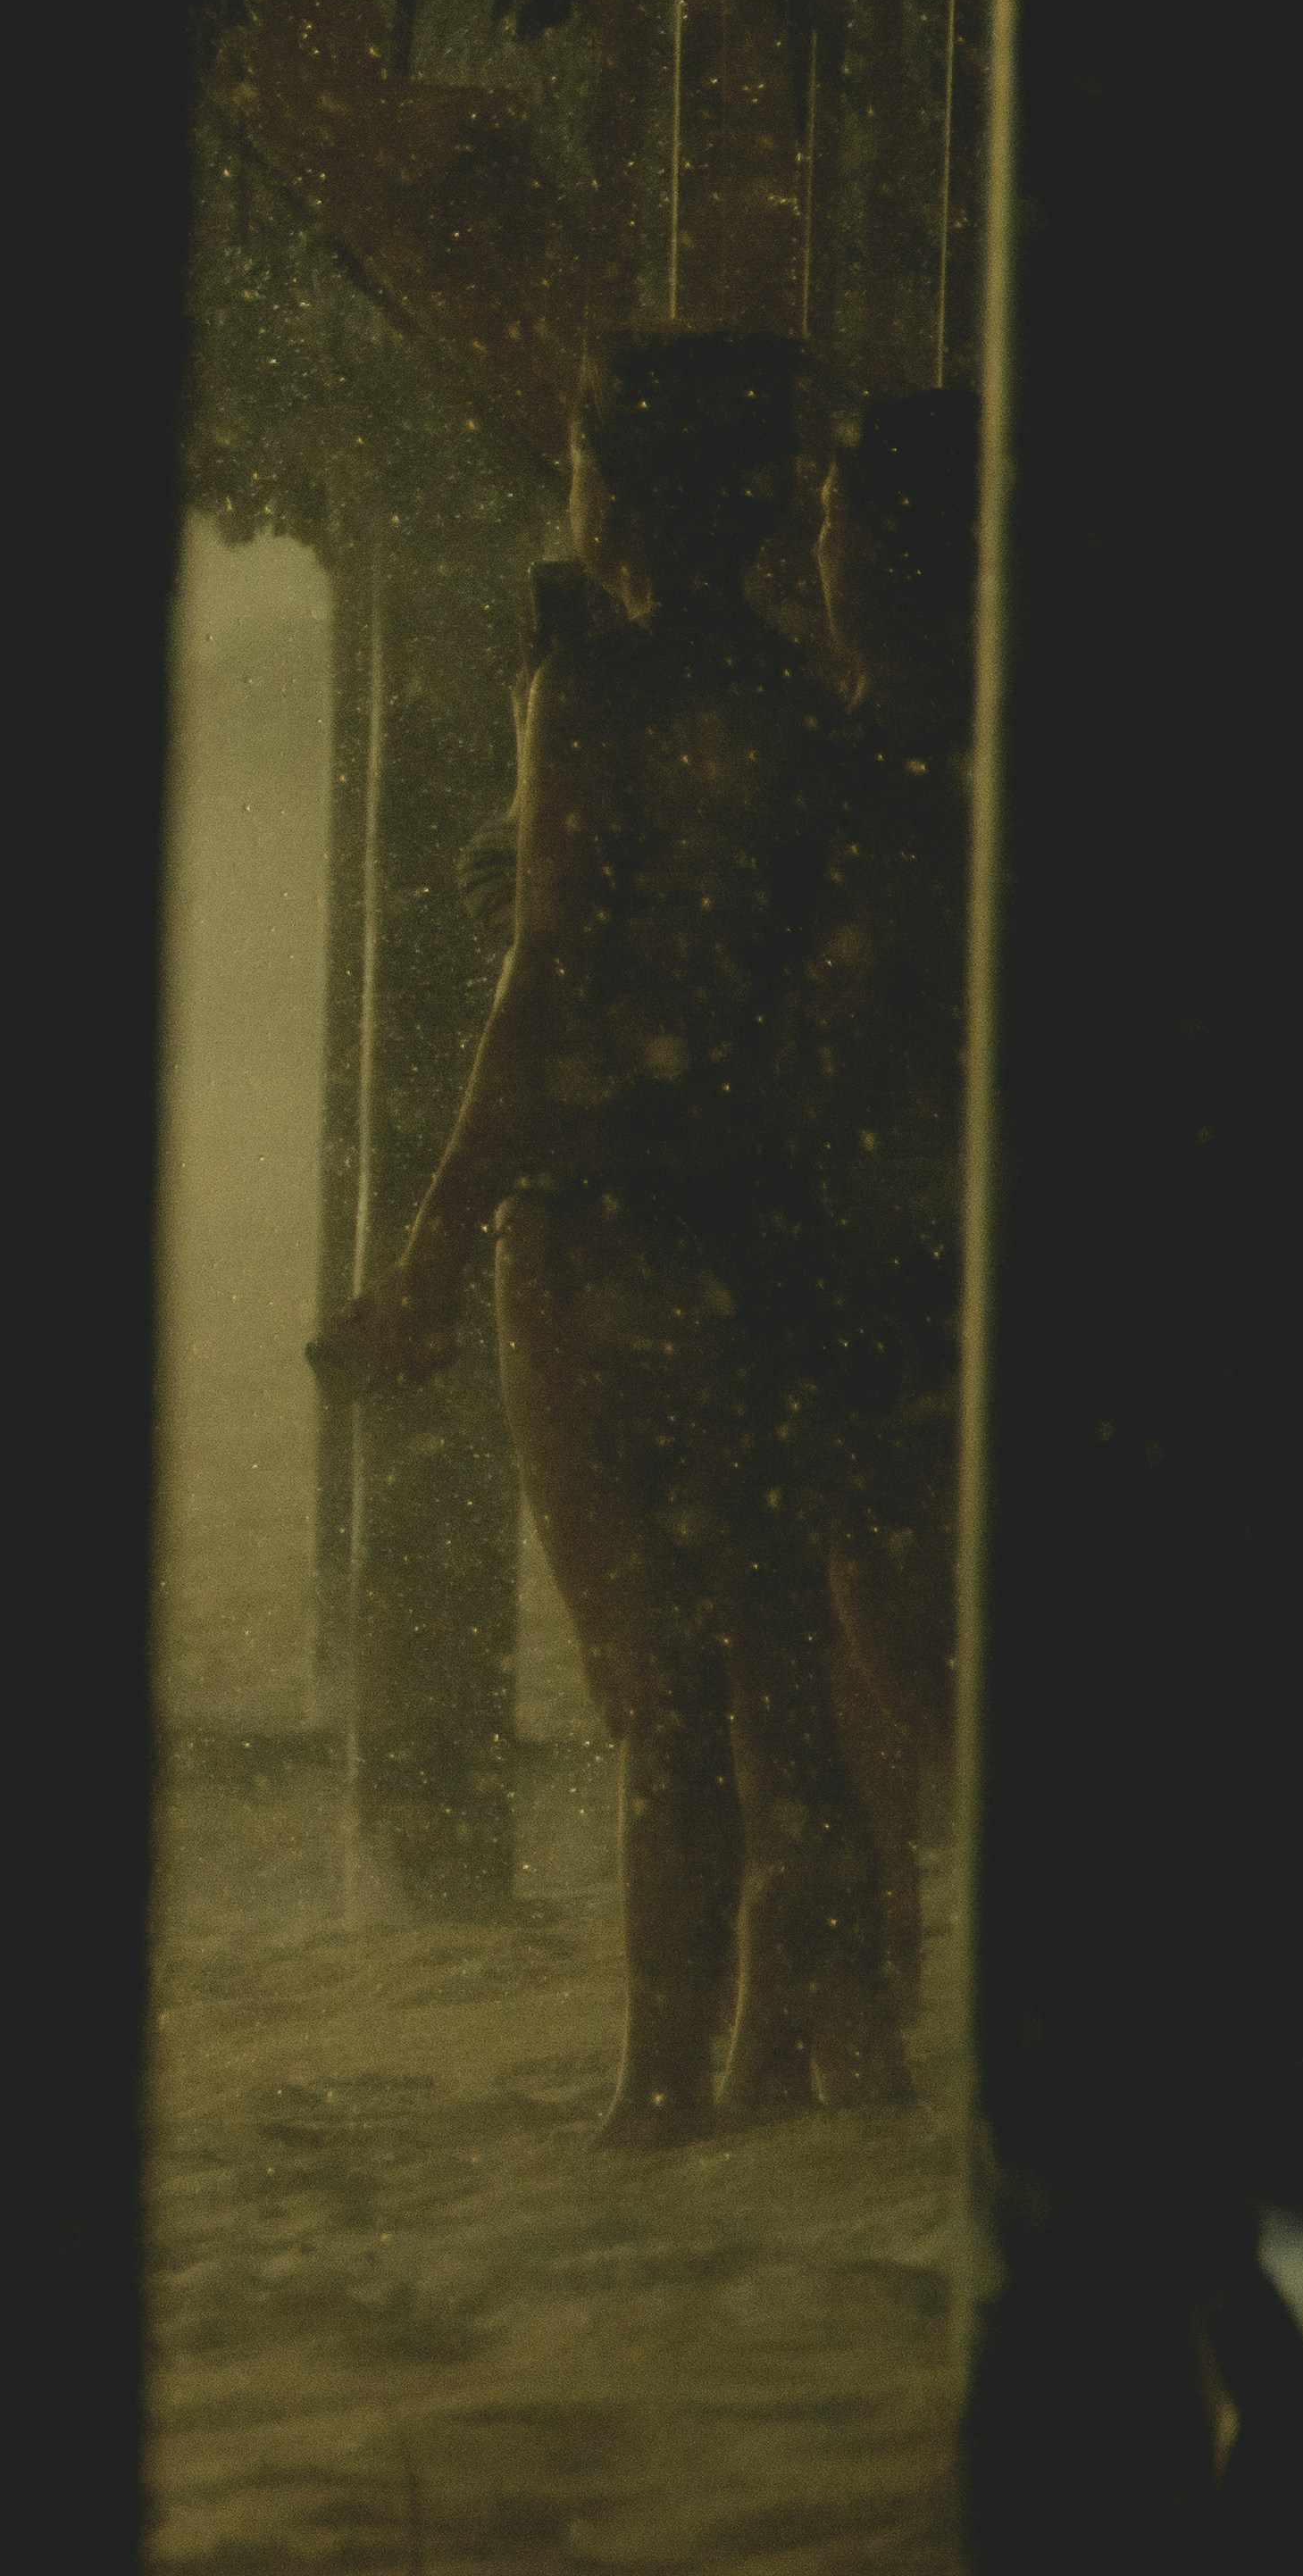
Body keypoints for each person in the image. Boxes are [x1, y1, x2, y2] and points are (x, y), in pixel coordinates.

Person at [315, 333, 890, 2143]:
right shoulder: (807, 714)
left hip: (610, 1220)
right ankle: (776, 2051)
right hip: (764, 1206)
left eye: (573, 453)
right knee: (778, 1674)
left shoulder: (590, 688)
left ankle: (656, 2079)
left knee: (658, 1693)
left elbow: (548, 977)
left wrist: (427, 1243)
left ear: (613, 486)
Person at [794, 388, 979, 2036]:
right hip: (988, 1225)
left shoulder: (870, 755)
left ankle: (884, 1993)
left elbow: (846, 1003)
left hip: (894, 1237)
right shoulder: (1009, 732)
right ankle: (876, 2001)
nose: (822, 548)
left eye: (841, 521)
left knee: (889, 1628)